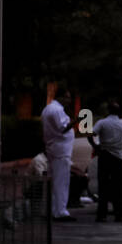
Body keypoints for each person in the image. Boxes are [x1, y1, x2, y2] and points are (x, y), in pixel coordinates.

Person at [41, 87, 76, 222]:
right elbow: (63, 127)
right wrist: (76, 120)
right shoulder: (57, 110)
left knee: (56, 181)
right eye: (67, 97)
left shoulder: (48, 109)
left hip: (55, 149)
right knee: (61, 182)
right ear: (60, 97)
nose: (69, 100)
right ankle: (61, 212)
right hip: (60, 151)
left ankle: (54, 210)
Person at [91, 102, 122, 222]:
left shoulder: (102, 123)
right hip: (118, 158)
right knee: (119, 187)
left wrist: (95, 146)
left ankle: (102, 215)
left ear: (108, 110)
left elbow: (90, 134)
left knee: (103, 186)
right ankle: (120, 214)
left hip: (105, 155)